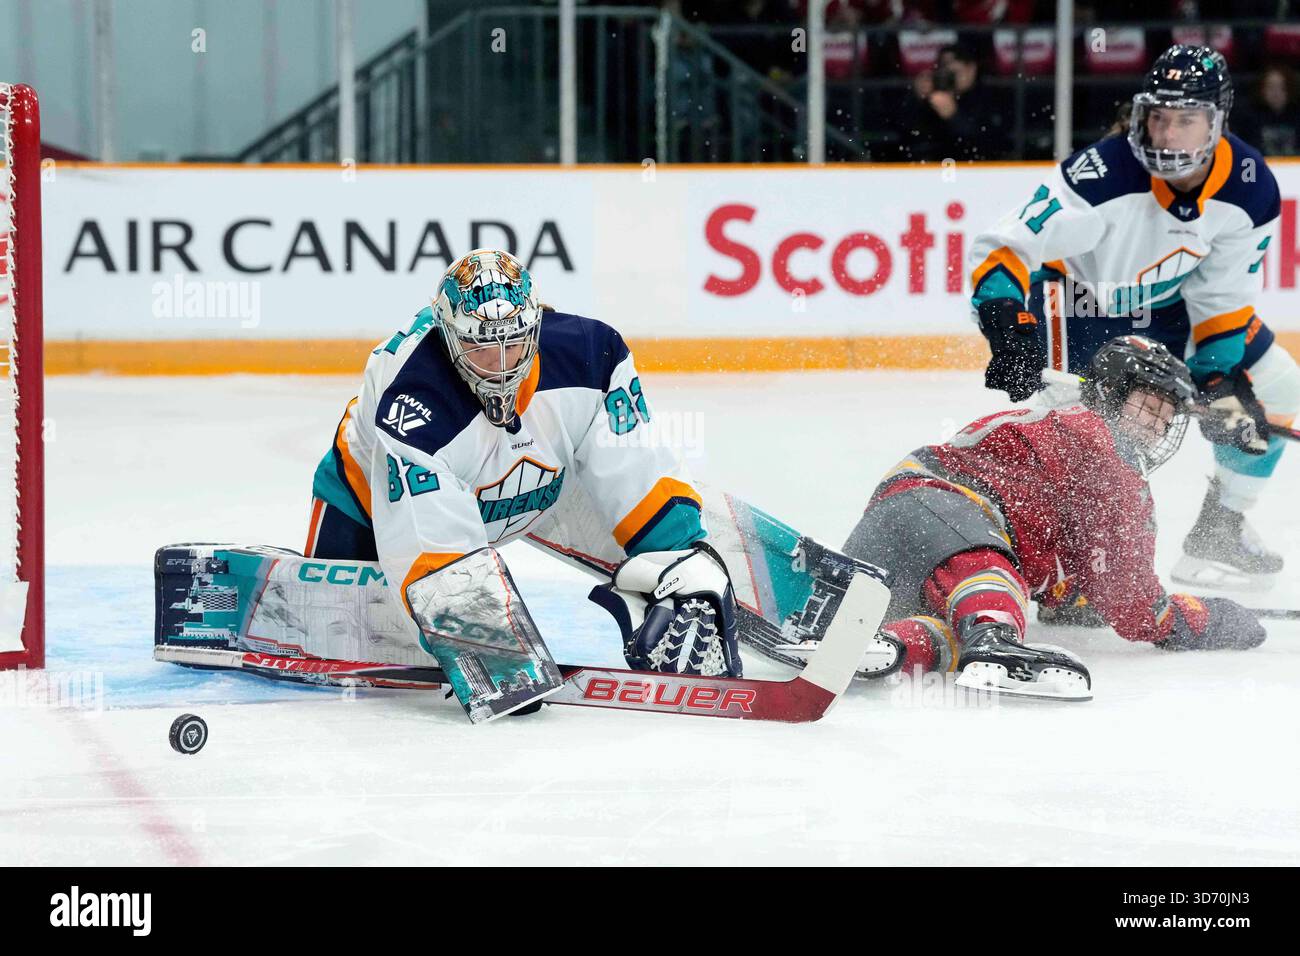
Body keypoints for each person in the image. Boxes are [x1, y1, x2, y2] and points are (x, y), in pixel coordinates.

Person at [305, 248, 742, 715]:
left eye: (511, 344)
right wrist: (484, 643)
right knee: (344, 626)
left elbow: (633, 459)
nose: (500, 365)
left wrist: (683, 553)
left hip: (536, 481)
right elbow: (426, 540)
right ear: (449, 338)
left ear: (534, 328)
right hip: (371, 503)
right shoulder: (414, 404)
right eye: (479, 348)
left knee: (665, 538)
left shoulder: (593, 355)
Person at [967, 44, 1300, 592]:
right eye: (1159, 117)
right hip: (1078, 303)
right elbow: (1003, 247)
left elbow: (1221, 297)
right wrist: (1005, 320)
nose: (1167, 136)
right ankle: (1058, 569)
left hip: (1169, 303)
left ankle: (1219, 531)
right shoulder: (1101, 175)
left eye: (1186, 121)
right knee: (1089, 448)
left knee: (1280, 384)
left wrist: (1217, 377)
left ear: (1216, 123)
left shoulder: (1250, 187)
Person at [841, 336, 1267, 699]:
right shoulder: (1106, 454)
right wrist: (1209, 620)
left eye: (1166, 416)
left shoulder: (1064, 430)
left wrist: (1075, 599)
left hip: (900, 526)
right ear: (1114, 394)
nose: (1157, 426)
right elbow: (1137, 607)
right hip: (947, 513)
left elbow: (1063, 551)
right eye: (1148, 407)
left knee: (957, 633)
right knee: (995, 615)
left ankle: (885, 644)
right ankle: (994, 635)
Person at [895, 43, 1008, 161]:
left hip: (976, 167)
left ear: (971, 69)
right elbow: (906, 134)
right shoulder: (933, 96)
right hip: (934, 165)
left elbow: (992, 144)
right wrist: (916, 98)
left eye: (955, 73)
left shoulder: (989, 97)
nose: (950, 78)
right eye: (944, 72)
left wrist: (954, 116)